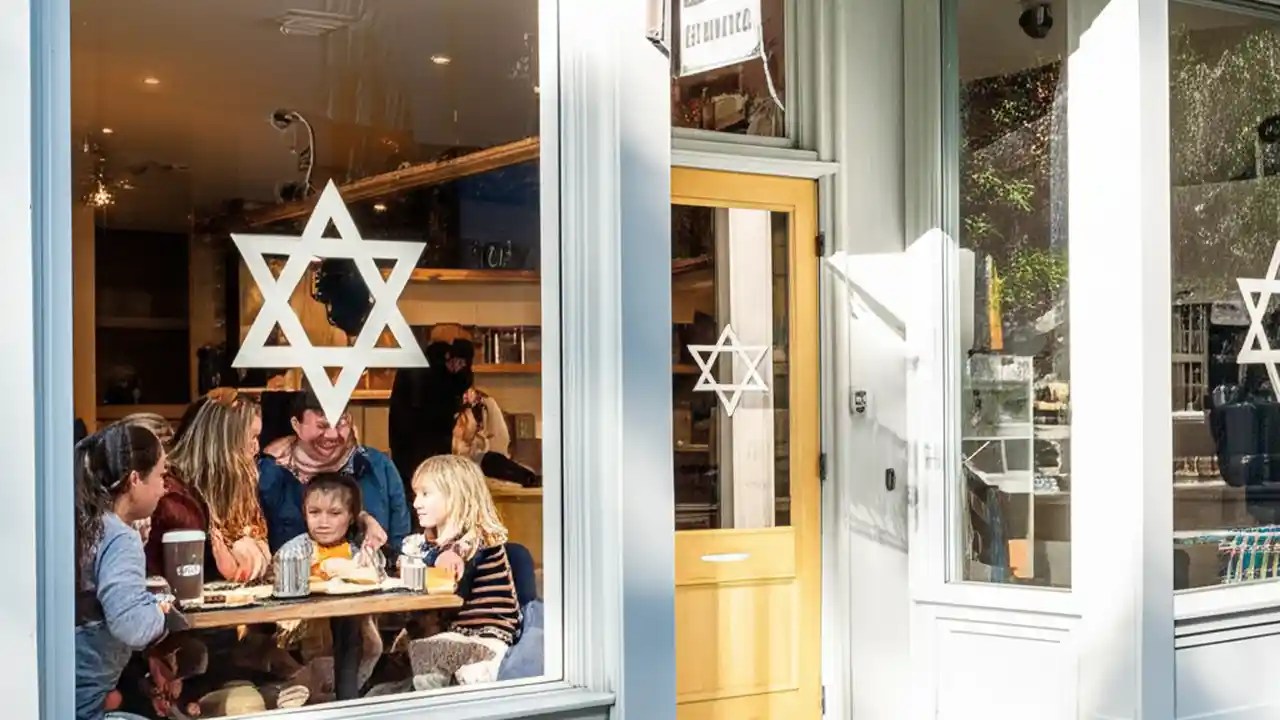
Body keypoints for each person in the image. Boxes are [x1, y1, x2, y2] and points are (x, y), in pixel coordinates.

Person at [74, 423, 170, 720]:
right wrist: (160, 610)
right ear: (134, 480)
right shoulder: (119, 537)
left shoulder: (87, 523)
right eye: (161, 475)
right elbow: (132, 625)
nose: (164, 487)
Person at [406, 455, 520, 688]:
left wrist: (446, 556)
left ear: (456, 497)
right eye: (416, 494)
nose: (416, 503)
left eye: (426, 494)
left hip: (487, 639)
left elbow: (461, 562)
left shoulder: (476, 538)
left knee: (427, 652)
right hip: (460, 636)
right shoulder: (435, 543)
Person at [259, 390, 409, 562]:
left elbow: (400, 543)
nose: (332, 434)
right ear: (296, 425)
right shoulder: (270, 473)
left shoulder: (378, 467)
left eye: (340, 425)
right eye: (321, 426)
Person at [275, 473, 385, 700]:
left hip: (349, 632)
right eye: (314, 513)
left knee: (350, 623)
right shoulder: (293, 552)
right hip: (303, 633)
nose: (323, 522)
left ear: (352, 517)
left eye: (334, 513)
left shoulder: (358, 552)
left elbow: (378, 576)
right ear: (304, 513)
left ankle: (348, 697)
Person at [145, 388, 270, 582]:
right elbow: (189, 572)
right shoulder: (173, 498)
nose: (256, 449)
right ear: (224, 442)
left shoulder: (233, 490)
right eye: (252, 437)